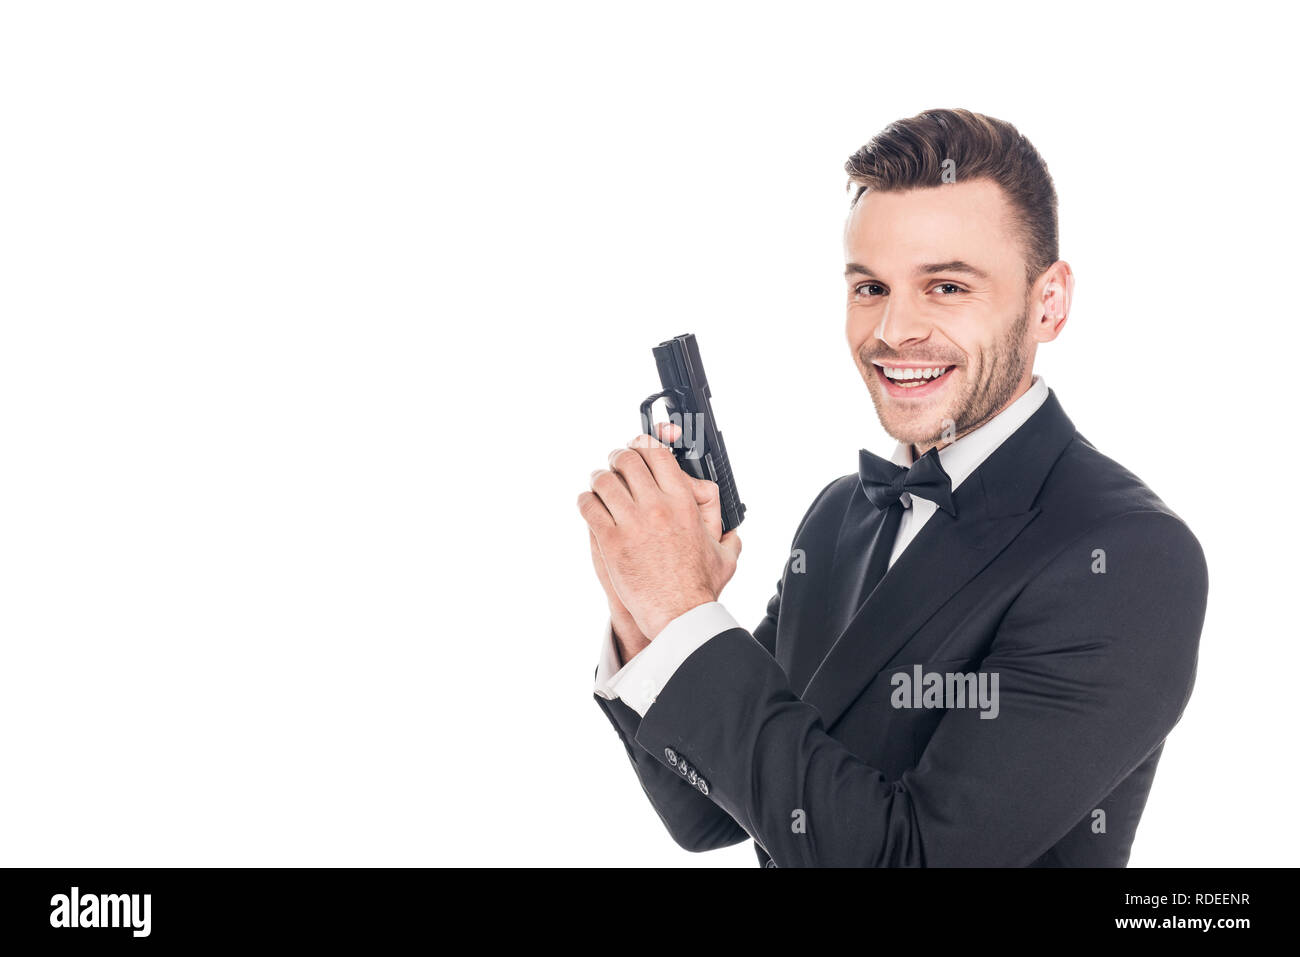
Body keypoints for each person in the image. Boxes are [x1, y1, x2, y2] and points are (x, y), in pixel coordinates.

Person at [576, 107, 1208, 867]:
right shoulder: (838, 516)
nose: (893, 329)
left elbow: (910, 858)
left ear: (1049, 302)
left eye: (945, 286)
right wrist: (642, 595)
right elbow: (705, 813)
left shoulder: (1130, 555)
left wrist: (685, 611)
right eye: (870, 286)